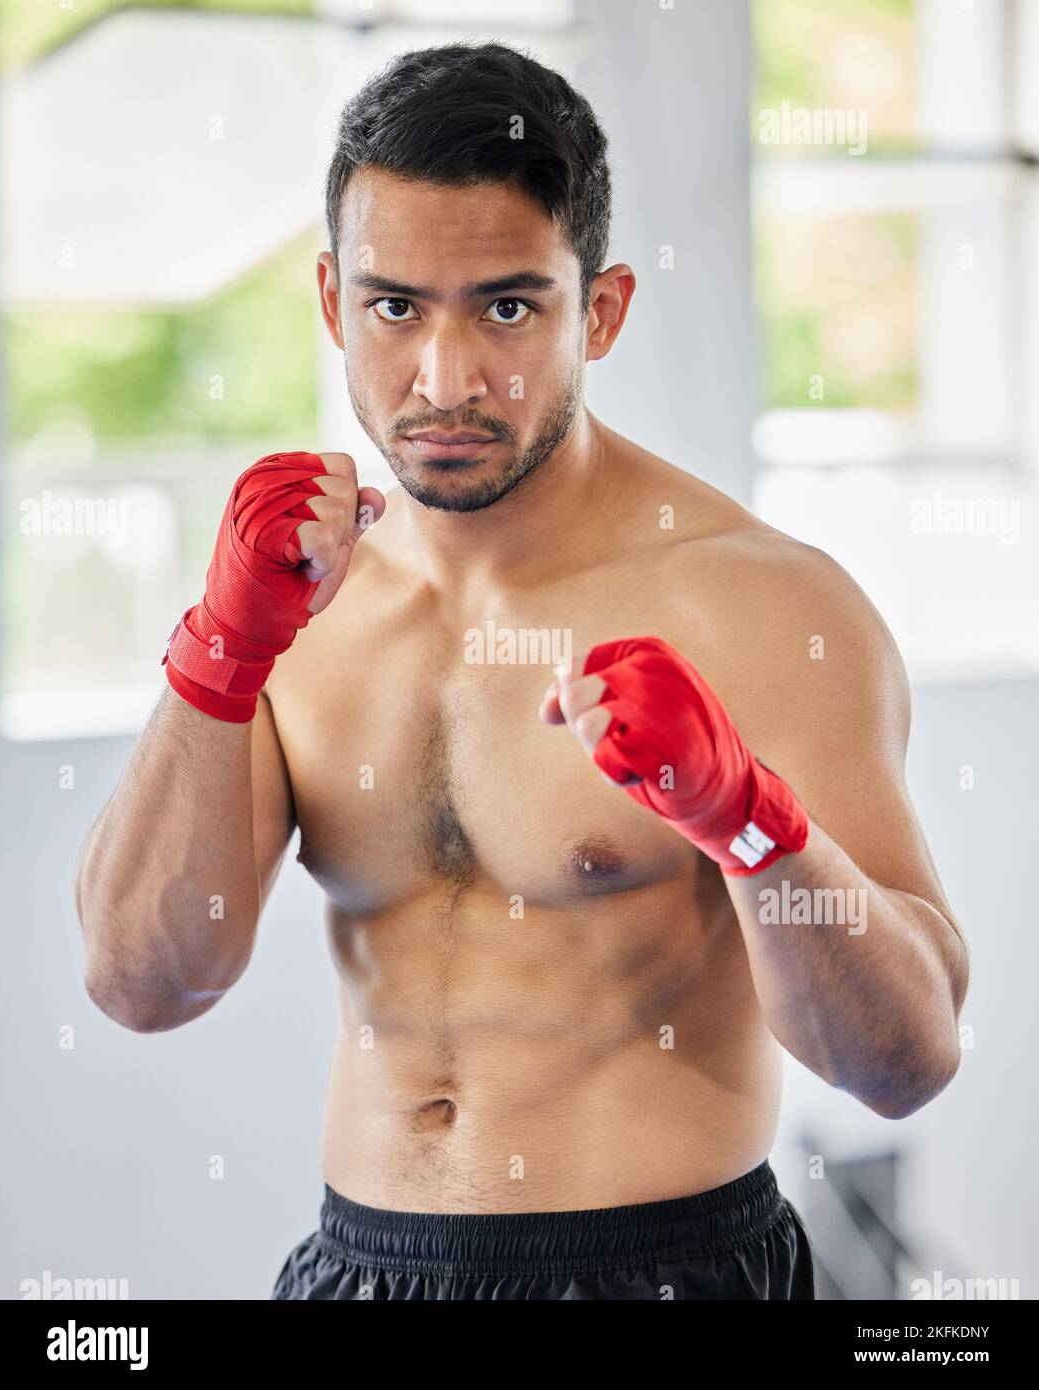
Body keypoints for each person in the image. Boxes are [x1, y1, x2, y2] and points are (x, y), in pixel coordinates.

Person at [75, 41, 969, 1301]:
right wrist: (221, 651)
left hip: (663, 1271)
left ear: (596, 309)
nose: (444, 380)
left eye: (505, 306)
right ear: (333, 303)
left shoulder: (763, 601)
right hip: (359, 1268)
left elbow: (904, 1058)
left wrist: (752, 823)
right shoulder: (296, 600)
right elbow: (140, 983)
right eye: (396, 307)